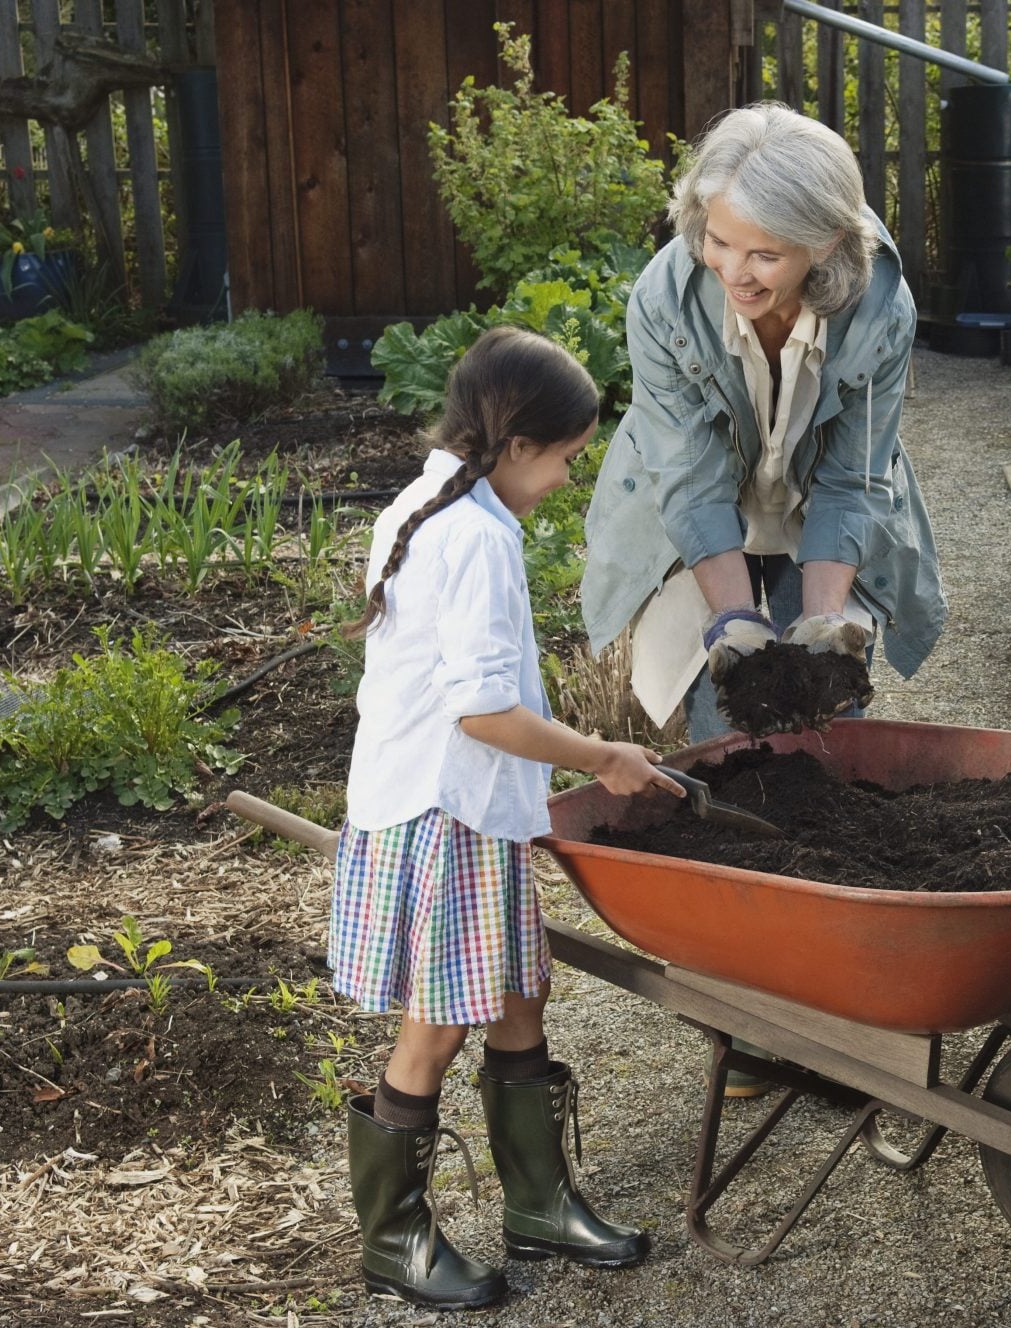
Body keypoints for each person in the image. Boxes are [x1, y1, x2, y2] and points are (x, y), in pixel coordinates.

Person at [333, 326, 681, 1310]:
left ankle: (537, 1202)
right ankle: (394, 1241)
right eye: (570, 457)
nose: (571, 478)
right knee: (437, 1029)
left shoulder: (440, 497)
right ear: (519, 442)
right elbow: (481, 710)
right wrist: (601, 756)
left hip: (460, 807)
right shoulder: (471, 533)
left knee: (519, 994)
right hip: (441, 813)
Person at [583, 101, 947, 744]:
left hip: (818, 503)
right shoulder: (664, 302)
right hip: (700, 506)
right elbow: (690, 479)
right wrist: (732, 617)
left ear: (825, 243)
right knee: (724, 705)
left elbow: (854, 475)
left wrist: (823, 618)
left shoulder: (880, 312)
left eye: (764, 255)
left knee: (829, 702)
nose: (734, 272)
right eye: (718, 242)